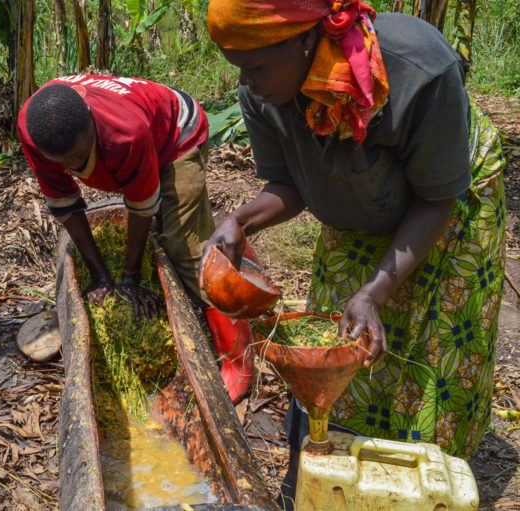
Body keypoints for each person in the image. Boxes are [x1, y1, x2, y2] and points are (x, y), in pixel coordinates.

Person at [203, 0, 505, 508]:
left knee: (435, 347)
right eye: (239, 69)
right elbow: (291, 183)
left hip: (446, 203)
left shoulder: (418, 68)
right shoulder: (263, 93)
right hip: (359, 203)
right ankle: (337, 470)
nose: (247, 82)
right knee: (340, 344)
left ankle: (422, 480)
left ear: (305, 39)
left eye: (255, 67)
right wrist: (240, 220)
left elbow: (436, 198)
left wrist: (375, 290)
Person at [18, 74, 256, 403]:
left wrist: (130, 277)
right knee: (168, 223)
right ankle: (226, 244)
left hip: (175, 132)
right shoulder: (36, 128)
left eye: (79, 155)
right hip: (135, 131)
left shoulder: (125, 133)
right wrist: (101, 276)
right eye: (65, 162)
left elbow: (141, 208)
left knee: (183, 251)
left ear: (91, 119)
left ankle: (239, 359)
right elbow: (65, 205)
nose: (75, 167)